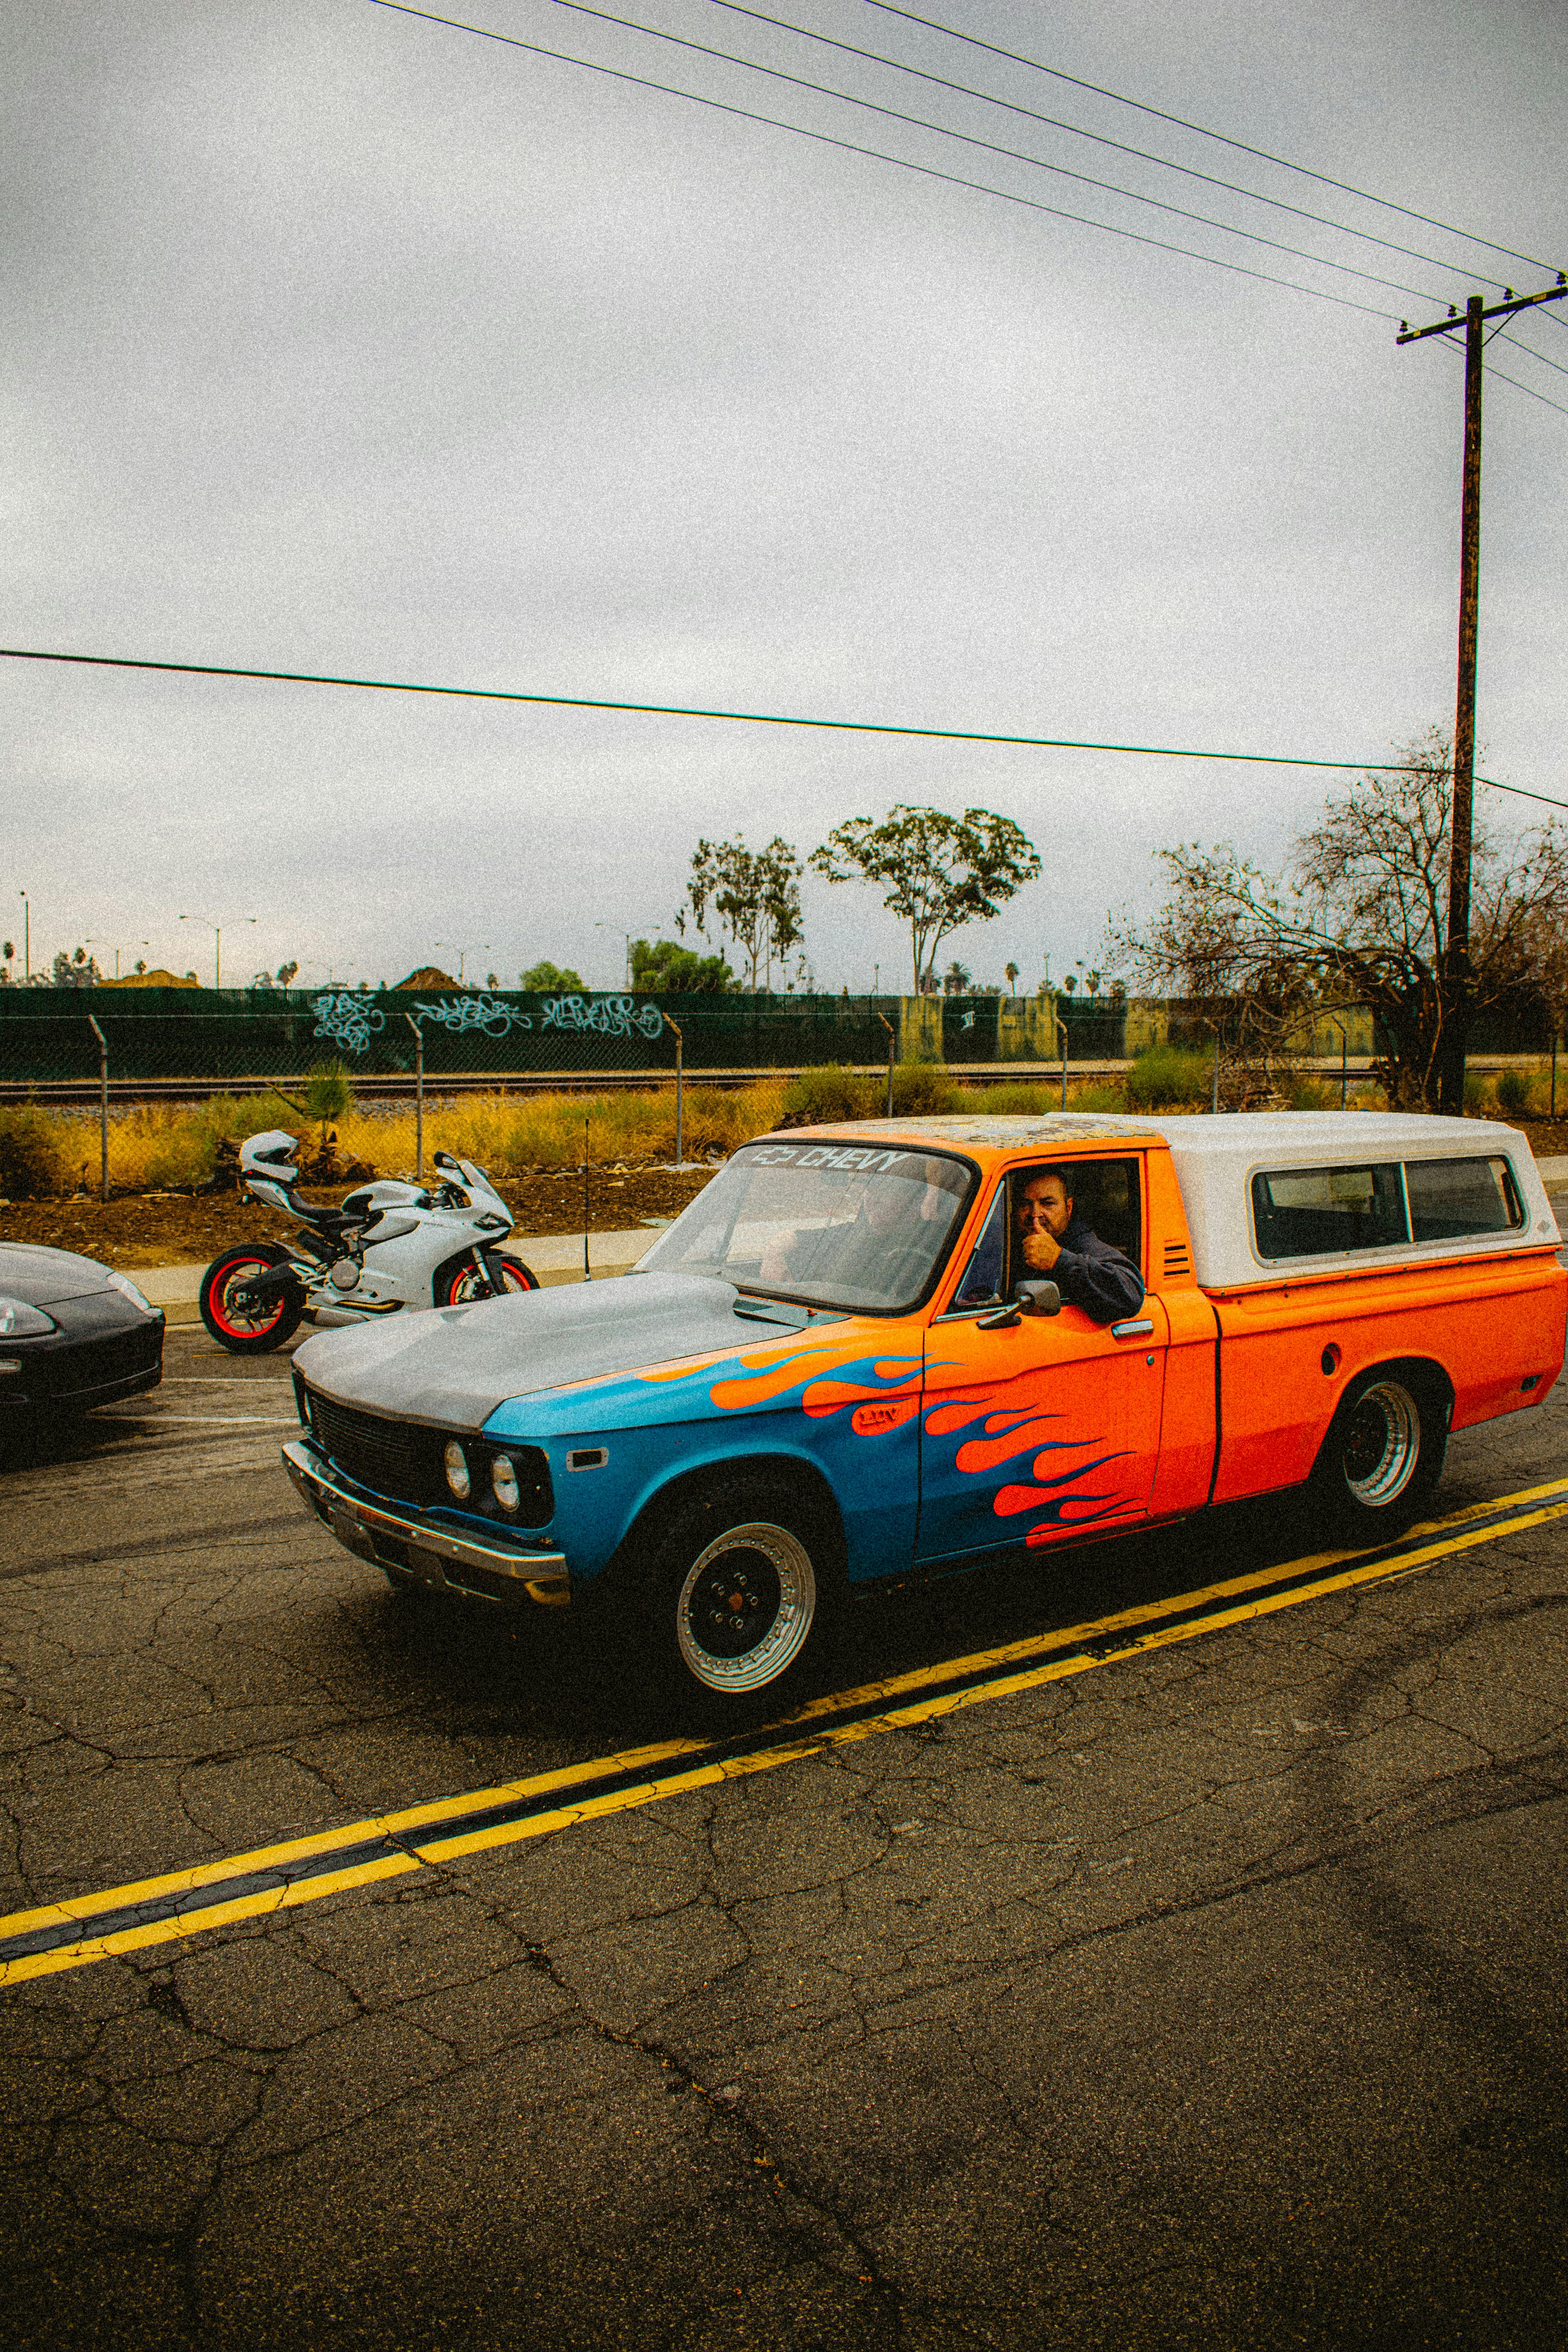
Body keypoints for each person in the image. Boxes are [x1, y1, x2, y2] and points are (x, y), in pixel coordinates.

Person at [1014, 1166, 1145, 1325]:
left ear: (1068, 1208)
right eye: (1025, 1205)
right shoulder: (1007, 1244)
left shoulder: (1086, 1246)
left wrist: (1059, 1259)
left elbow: (1131, 1297)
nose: (1035, 1214)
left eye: (1048, 1204)